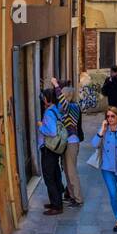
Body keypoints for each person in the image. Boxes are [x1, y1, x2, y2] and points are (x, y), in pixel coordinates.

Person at [37, 87, 67, 215]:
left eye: (43, 97)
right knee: (55, 175)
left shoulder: (49, 113)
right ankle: (56, 201)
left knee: (49, 177)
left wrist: (41, 127)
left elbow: (52, 131)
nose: (42, 99)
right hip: (55, 149)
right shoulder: (56, 109)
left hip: (49, 149)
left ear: (46, 99)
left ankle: (56, 206)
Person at [57, 83, 84, 206]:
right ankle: (72, 196)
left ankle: (78, 199)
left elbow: (62, 102)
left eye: (62, 94)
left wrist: (56, 85)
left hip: (72, 142)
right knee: (67, 171)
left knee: (71, 171)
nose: (60, 96)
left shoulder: (73, 107)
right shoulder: (66, 108)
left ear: (67, 95)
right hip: (67, 142)